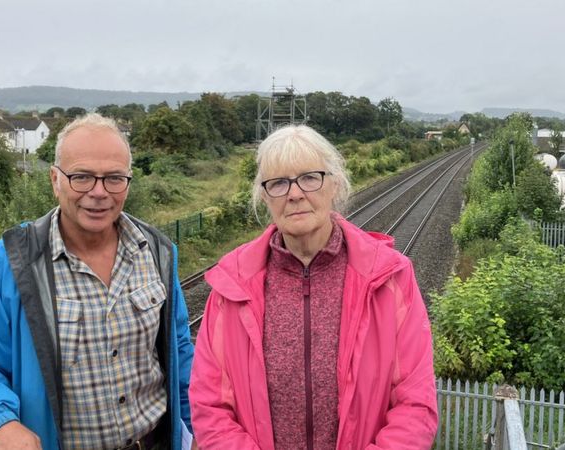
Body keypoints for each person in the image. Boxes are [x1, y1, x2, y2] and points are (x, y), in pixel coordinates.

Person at [0, 113, 194, 450]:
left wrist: (200, 430)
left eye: (114, 178)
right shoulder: (7, 263)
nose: (98, 192)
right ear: (55, 180)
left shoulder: (158, 252)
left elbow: (180, 353)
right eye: (81, 177)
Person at [188, 125, 438, 449]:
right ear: (264, 196)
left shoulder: (390, 278)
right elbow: (211, 407)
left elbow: (415, 403)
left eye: (310, 177)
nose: (294, 194)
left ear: (334, 183)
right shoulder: (231, 286)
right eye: (278, 183)